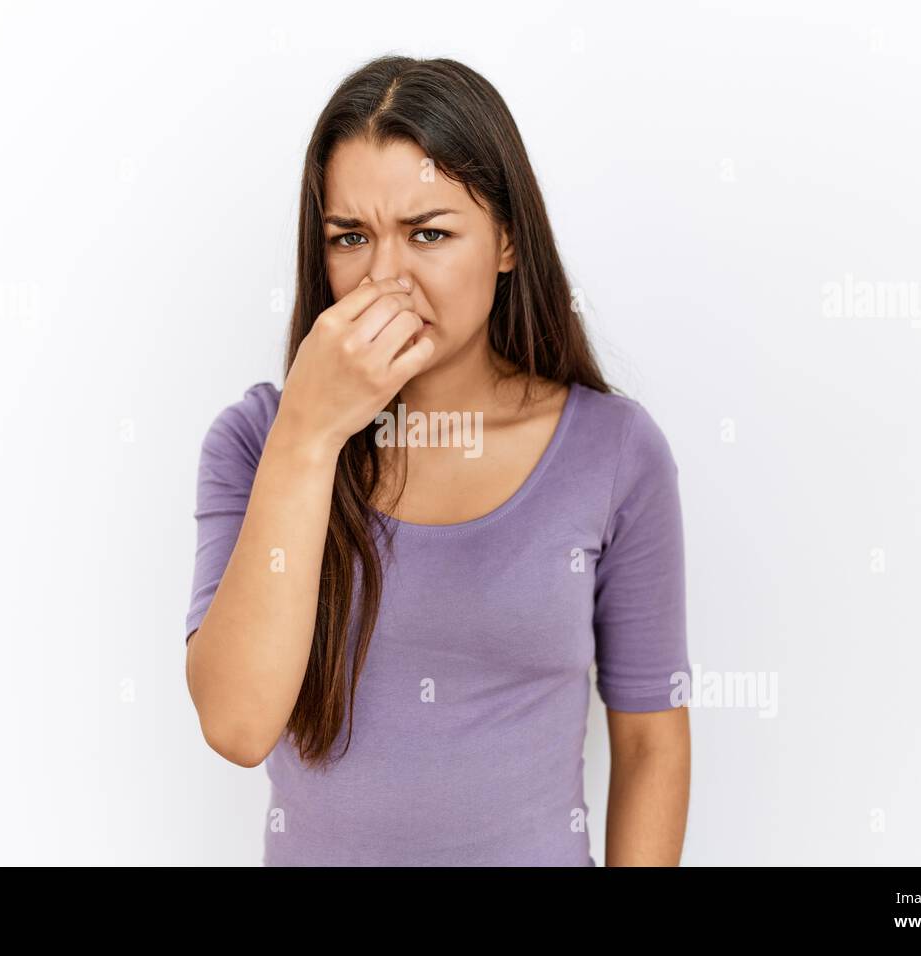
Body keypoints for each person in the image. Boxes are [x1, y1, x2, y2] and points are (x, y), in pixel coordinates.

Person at [184, 54, 691, 866]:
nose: (386, 277)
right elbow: (238, 727)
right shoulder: (256, 444)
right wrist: (309, 440)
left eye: (430, 233)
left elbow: (650, 743)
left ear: (507, 242)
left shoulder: (615, 453)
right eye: (351, 237)